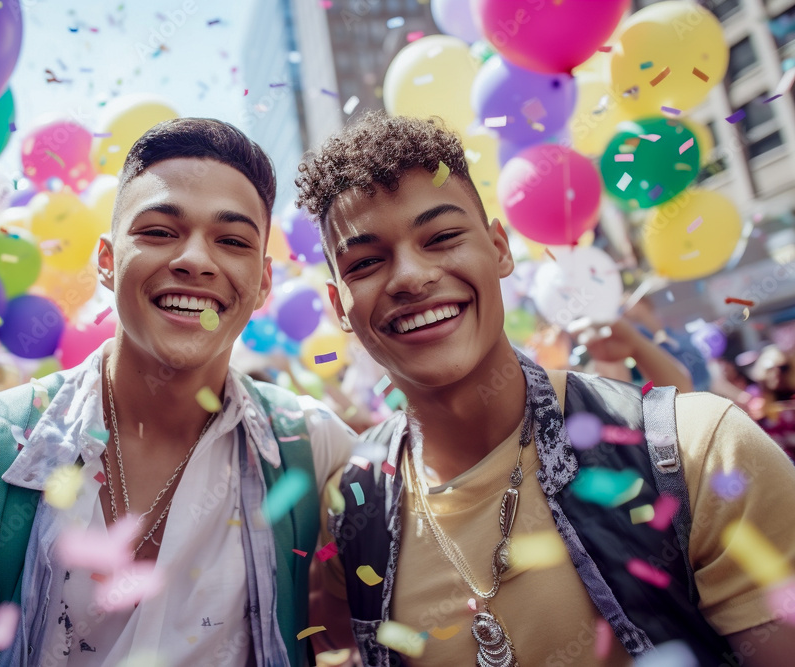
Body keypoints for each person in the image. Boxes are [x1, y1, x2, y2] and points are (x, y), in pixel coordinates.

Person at [294, 111, 795, 666]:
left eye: (441, 237)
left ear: (500, 249)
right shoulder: (351, 506)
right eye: (365, 262)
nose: (411, 276)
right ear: (340, 306)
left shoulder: (697, 448)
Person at [0, 118, 355, 667]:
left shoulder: (314, 450)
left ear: (263, 281)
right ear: (106, 261)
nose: (196, 260)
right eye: (158, 231)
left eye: (231, 240)